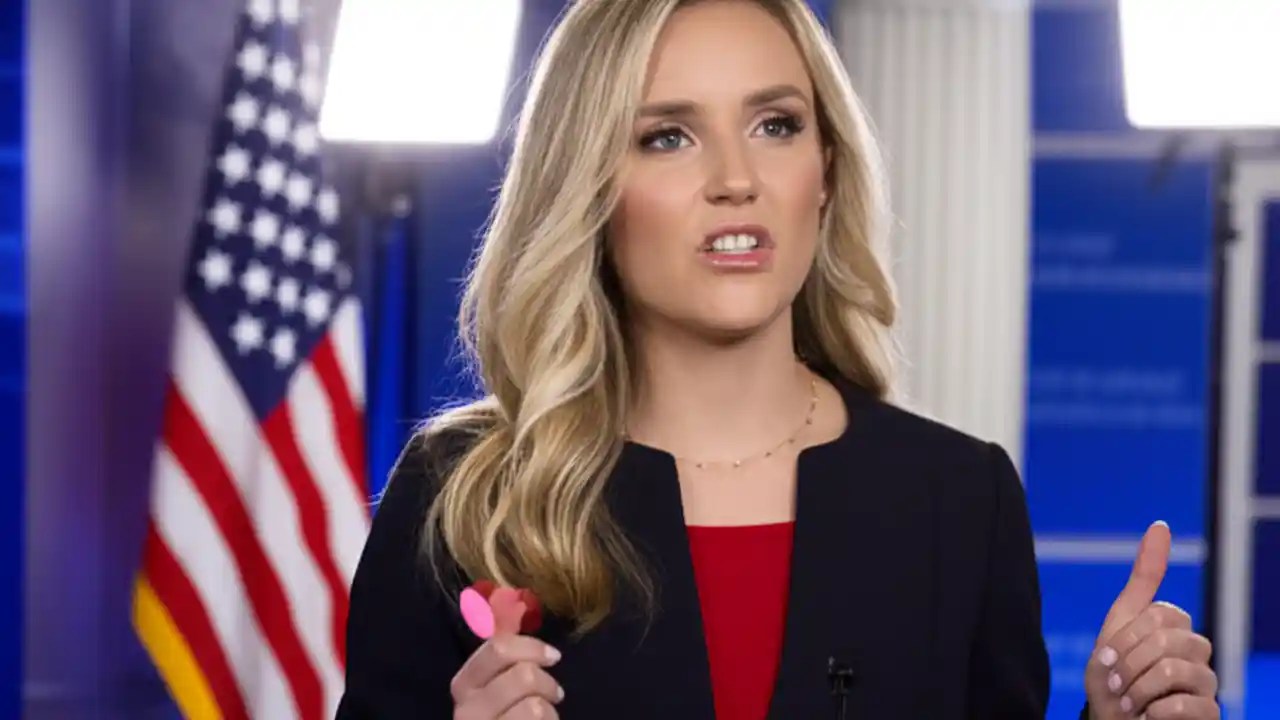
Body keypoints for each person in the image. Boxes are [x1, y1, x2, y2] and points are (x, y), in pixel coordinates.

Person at [335, 1, 1220, 718]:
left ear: (826, 172)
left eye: (775, 124)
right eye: (667, 136)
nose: (736, 178)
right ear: (591, 189)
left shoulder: (960, 495)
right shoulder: (463, 492)